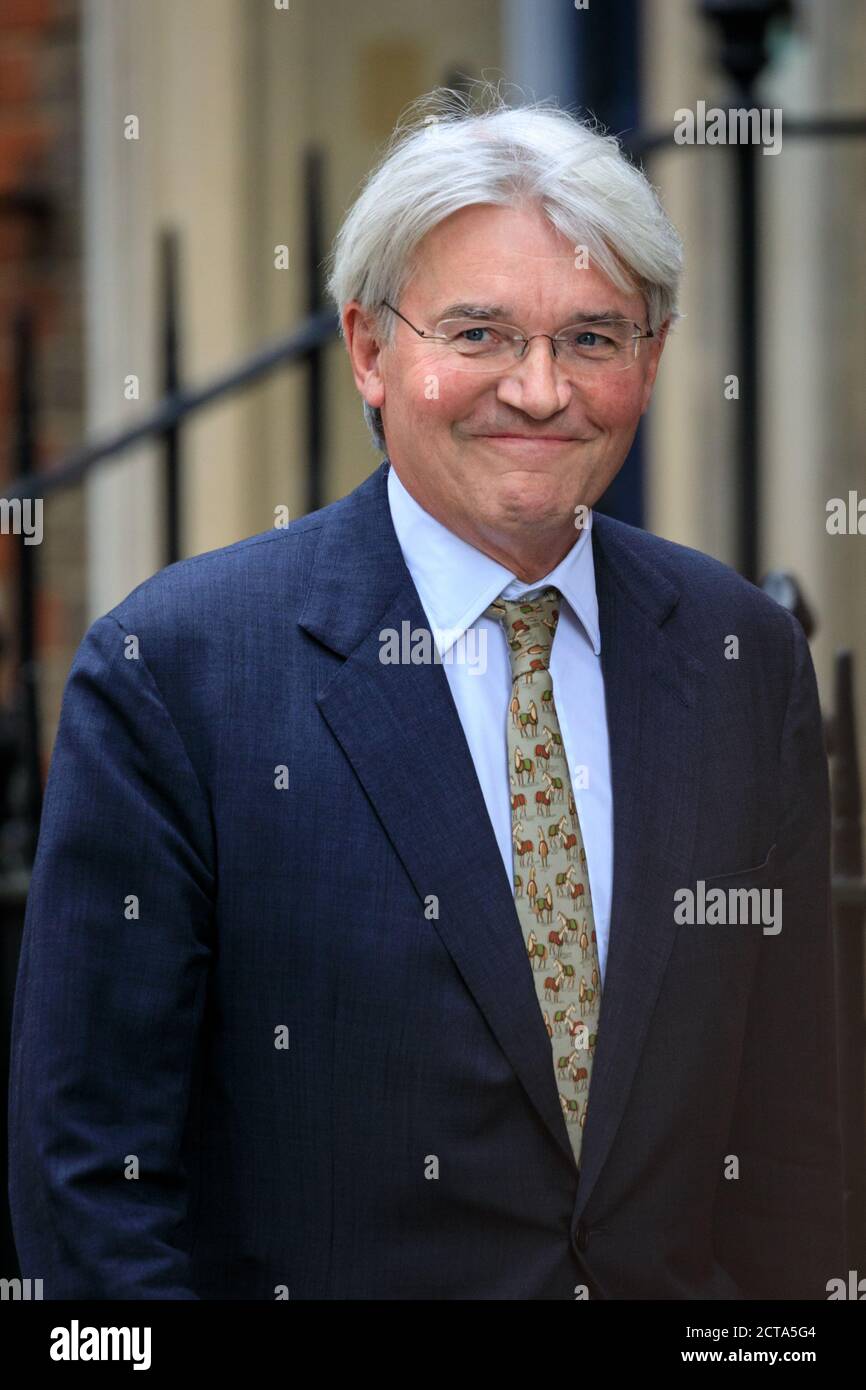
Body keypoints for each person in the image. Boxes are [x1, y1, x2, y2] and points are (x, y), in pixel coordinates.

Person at [8, 86, 845, 1300]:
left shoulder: (736, 653)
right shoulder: (182, 672)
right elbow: (91, 1177)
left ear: (652, 361)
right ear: (368, 350)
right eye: (479, 334)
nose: (540, 389)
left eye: (592, 338)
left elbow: (785, 1145)